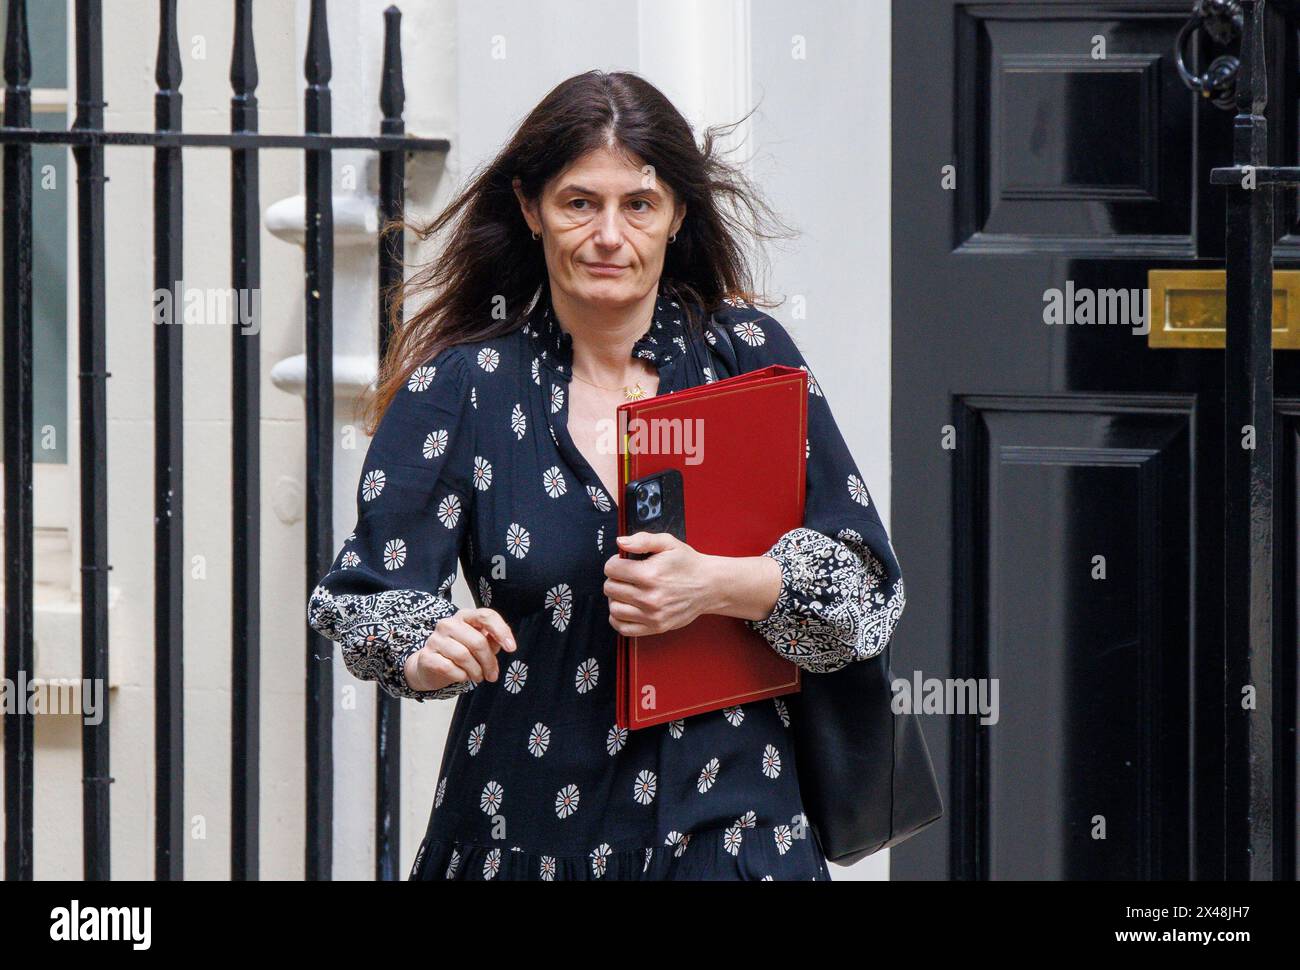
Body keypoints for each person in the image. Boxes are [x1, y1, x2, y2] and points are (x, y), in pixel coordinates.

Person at [307, 70, 905, 880]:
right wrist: (423, 645)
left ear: (677, 215)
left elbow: (868, 598)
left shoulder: (746, 360)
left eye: (640, 205)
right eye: (579, 203)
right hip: (521, 834)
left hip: (733, 835)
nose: (609, 236)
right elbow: (363, 598)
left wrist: (722, 583)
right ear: (530, 209)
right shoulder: (462, 387)